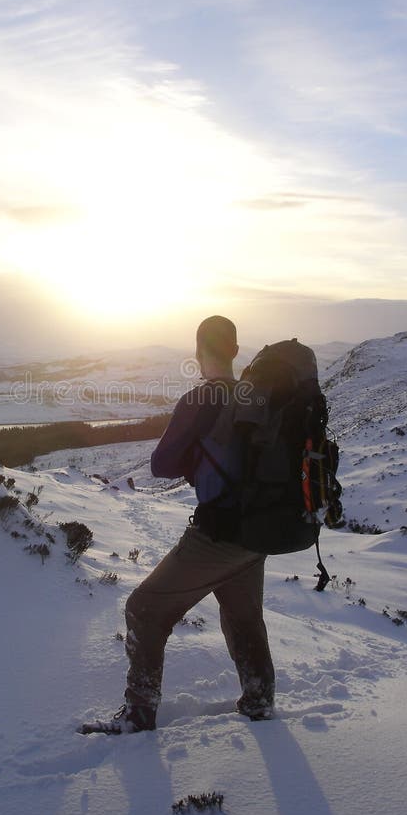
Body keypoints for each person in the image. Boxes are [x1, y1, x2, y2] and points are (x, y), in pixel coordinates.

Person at [80, 315, 275, 734]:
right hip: (257, 533)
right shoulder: (258, 397)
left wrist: (197, 460)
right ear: (236, 351)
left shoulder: (198, 401)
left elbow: (160, 464)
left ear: (199, 353)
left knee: (144, 610)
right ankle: (260, 704)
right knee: (243, 617)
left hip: (217, 533)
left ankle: (138, 715)